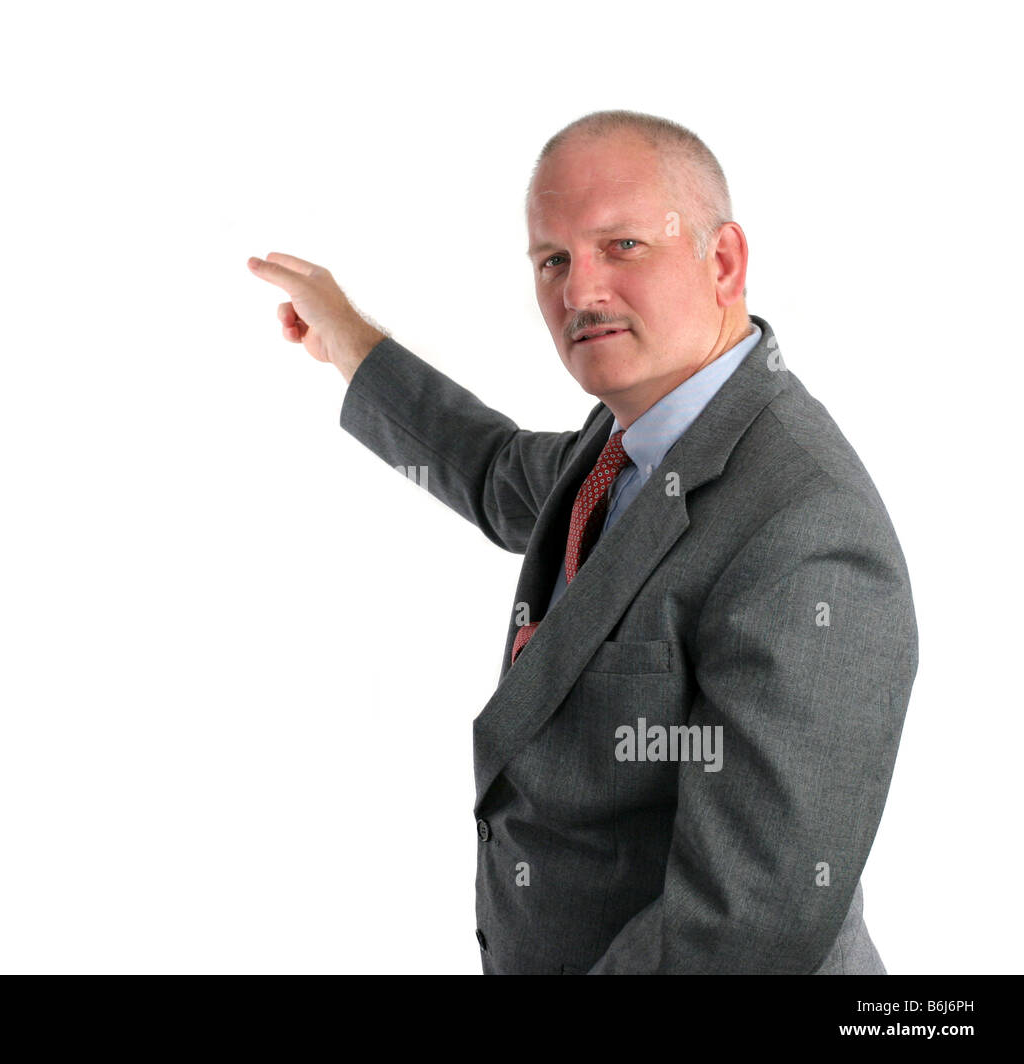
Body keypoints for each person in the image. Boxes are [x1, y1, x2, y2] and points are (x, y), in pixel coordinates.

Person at [246, 110, 918, 975]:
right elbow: (495, 473)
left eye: (622, 246)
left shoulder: (808, 534)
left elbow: (746, 929)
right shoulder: (627, 445)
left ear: (722, 262)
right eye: (553, 260)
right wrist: (349, 342)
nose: (579, 292)